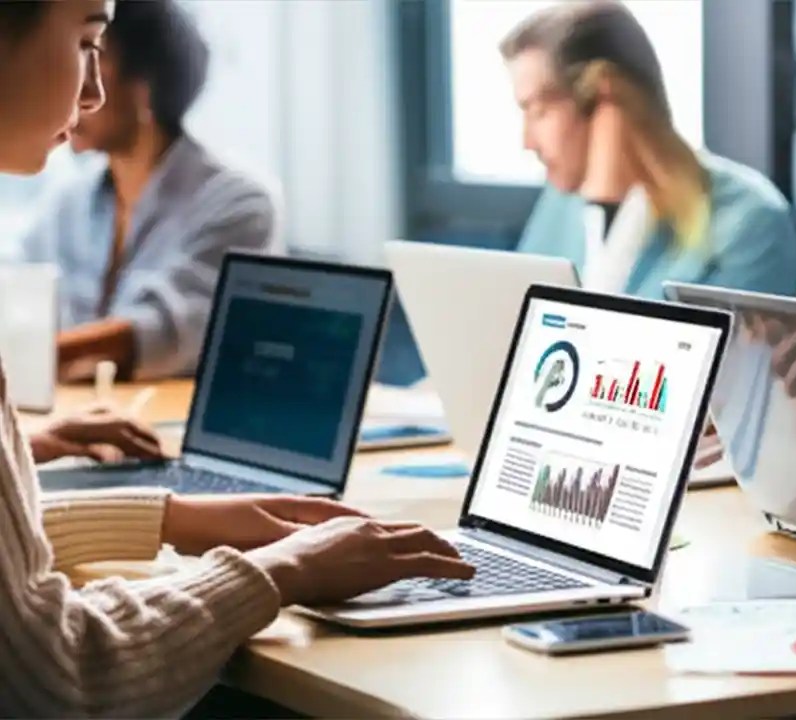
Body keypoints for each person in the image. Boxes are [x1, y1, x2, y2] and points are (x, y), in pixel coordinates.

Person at [0, 2, 473, 715]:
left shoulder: (229, 194)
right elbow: (60, 676)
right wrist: (277, 571)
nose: (91, 90)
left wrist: (170, 517)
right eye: (84, 41)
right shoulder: (70, 199)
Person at [20, 0, 281, 383]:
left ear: (144, 85)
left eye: (93, 54)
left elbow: (167, 329)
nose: (77, 91)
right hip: (78, 415)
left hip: (165, 417)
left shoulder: (239, 201)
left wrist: (32, 357)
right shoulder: (67, 201)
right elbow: (16, 291)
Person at [501, 0, 796, 300]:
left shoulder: (749, 223)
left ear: (603, 90)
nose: (527, 142)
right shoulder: (560, 207)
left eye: (538, 112)